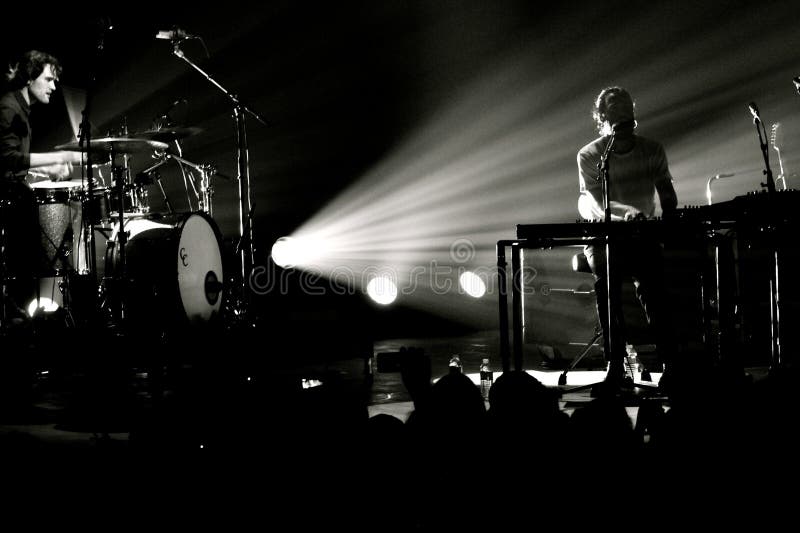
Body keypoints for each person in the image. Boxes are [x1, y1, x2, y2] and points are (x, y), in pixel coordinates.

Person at [576, 86, 678, 391]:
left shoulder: (652, 150)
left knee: (655, 290)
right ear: (603, 118)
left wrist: (670, 212)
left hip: (641, 235)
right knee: (607, 287)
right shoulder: (591, 154)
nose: (623, 113)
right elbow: (593, 201)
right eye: (614, 109)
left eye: (626, 107)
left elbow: (667, 193)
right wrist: (626, 214)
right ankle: (615, 365)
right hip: (604, 236)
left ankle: (671, 365)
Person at [1, 50, 81, 318]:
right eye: (48, 79)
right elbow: (7, 160)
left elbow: (17, 163)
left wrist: (48, 168)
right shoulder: (8, 107)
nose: (54, 86)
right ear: (28, 79)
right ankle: (19, 310)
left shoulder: (21, 108)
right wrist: (58, 157)